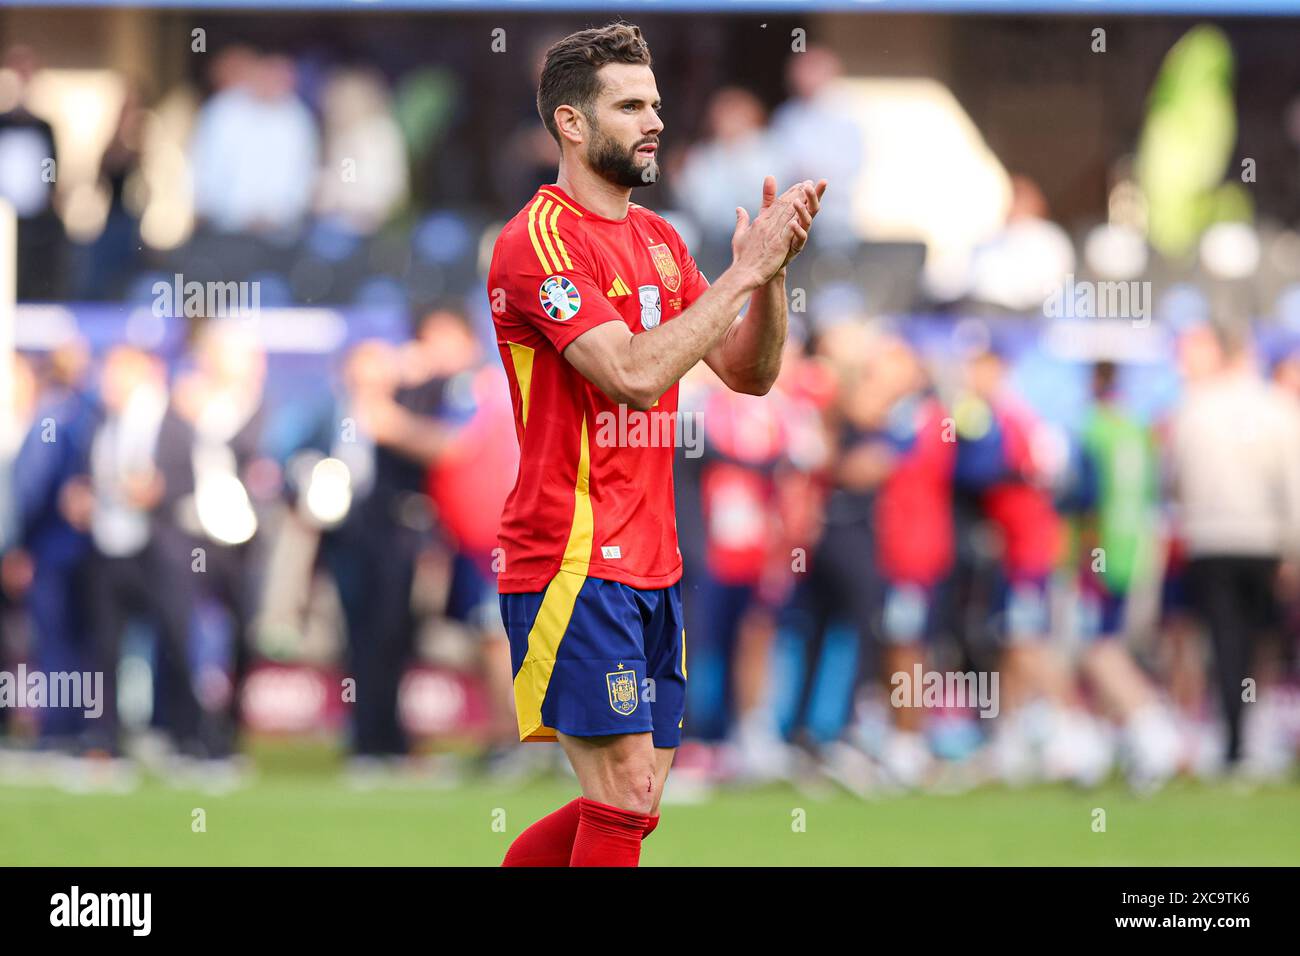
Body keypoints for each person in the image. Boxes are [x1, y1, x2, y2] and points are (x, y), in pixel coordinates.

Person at [487, 22, 824, 867]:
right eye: (630, 105)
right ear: (571, 122)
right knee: (625, 792)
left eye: (657, 105)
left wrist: (770, 273)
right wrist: (742, 276)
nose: (653, 121)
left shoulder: (663, 243)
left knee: (633, 803)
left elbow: (749, 373)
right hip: (571, 556)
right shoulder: (539, 241)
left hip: (655, 561)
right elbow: (632, 373)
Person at [1170, 321, 1300, 771]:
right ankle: (1252, 733)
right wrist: (1293, 548)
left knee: (1225, 640)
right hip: (1262, 541)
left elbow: (1176, 480)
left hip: (1210, 541)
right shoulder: (1277, 408)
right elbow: (1293, 483)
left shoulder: (1195, 408)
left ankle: (1233, 740)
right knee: (1260, 638)